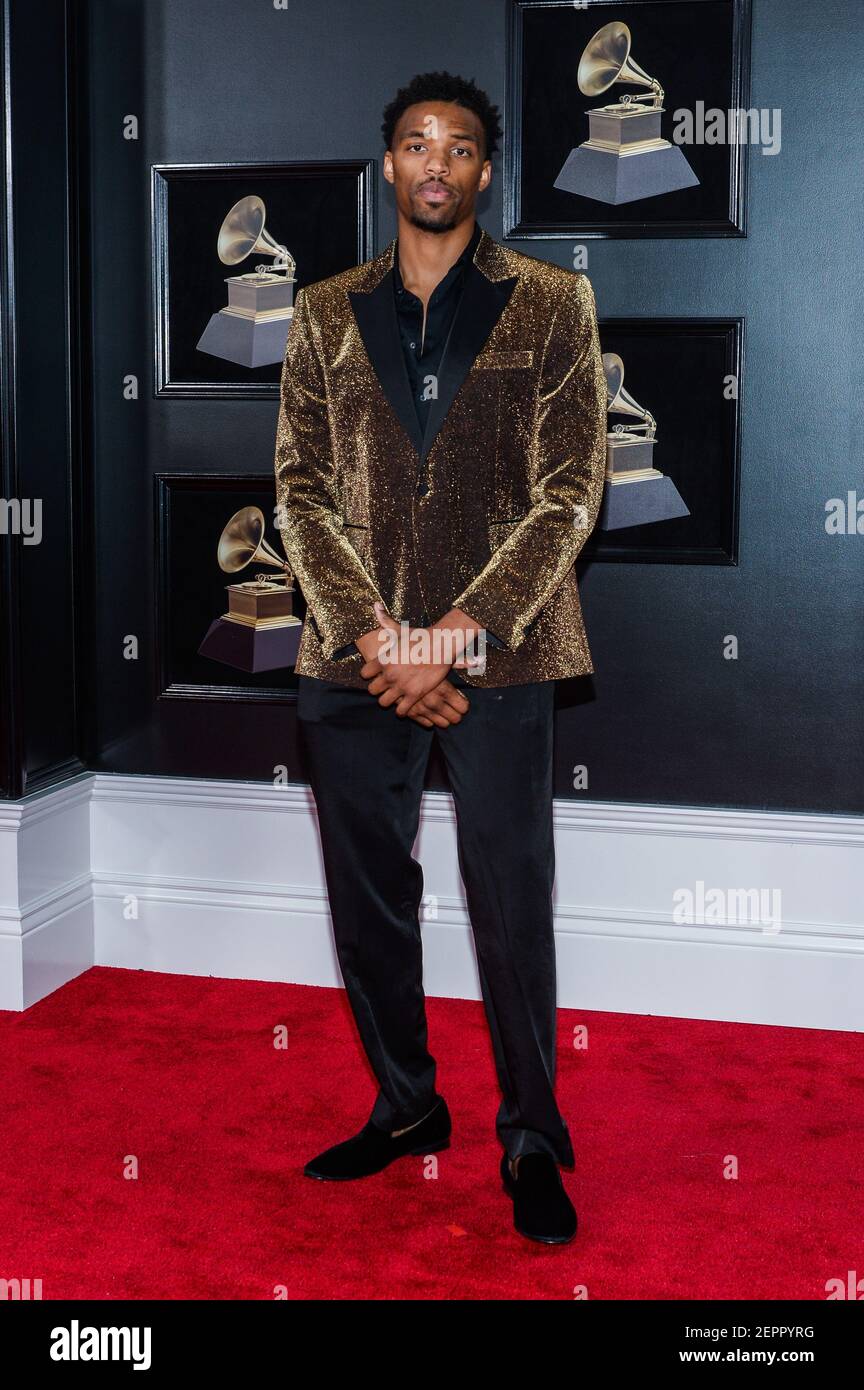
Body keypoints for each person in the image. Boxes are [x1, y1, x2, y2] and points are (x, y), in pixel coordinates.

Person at [274, 70, 607, 1244]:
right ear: (388, 167)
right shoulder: (320, 312)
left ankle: (532, 1138)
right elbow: (301, 490)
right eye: (415, 142)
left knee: (511, 900)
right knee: (370, 904)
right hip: (353, 657)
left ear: (482, 171)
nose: (435, 162)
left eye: (458, 146)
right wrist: (377, 634)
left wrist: (452, 637)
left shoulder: (554, 302)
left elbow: (572, 491)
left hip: (499, 658)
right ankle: (409, 1106)